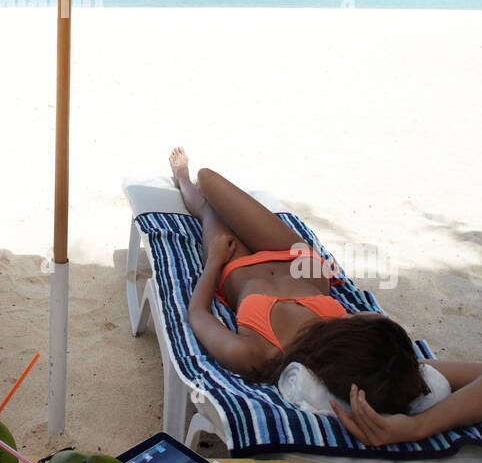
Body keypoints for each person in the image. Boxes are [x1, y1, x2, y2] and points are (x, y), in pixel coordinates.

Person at [169, 149, 482, 441]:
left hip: (233, 264)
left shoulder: (258, 354)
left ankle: (181, 177)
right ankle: (190, 179)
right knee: (208, 178)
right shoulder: (386, 363)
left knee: (206, 204)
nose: (362, 315)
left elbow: (198, 315)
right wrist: (417, 426)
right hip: (297, 259)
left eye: (359, 322)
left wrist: (213, 262)